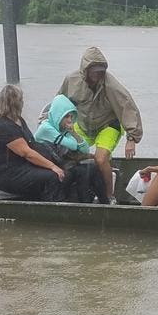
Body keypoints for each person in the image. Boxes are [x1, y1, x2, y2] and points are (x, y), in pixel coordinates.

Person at [56, 46, 143, 202]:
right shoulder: (71, 80)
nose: (98, 74)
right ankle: (72, 192)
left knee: (101, 158)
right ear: (86, 70)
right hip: (83, 124)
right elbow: (58, 103)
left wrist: (132, 138)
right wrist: (54, 125)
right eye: (94, 71)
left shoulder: (110, 84)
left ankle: (109, 196)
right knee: (67, 154)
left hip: (108, 125)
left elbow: (127, 106)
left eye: (101, 71)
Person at [0, 84, 64, 201]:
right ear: (16, 103)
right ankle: (49, 211)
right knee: (52, 177)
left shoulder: (19, 120)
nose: (23, 103)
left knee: (63, 172)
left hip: (21, 168)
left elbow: (32, 143)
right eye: (21, 100)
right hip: (6, 174)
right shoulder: (4, 126)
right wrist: (52, 166)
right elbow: (27, 153)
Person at [34, 94, 109, 204]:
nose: (69, 120)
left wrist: (74, 133)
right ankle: (85, 206)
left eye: (71, 117)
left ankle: (103, 204)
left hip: (59, 167)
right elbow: (72, 145)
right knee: (81, 172)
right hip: (48, 171)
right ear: (58, 115)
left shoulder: (63, 129)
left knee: (90, 168)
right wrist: (72, 134)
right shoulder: (46, 128)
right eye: (66, 117)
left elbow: (85, 150)